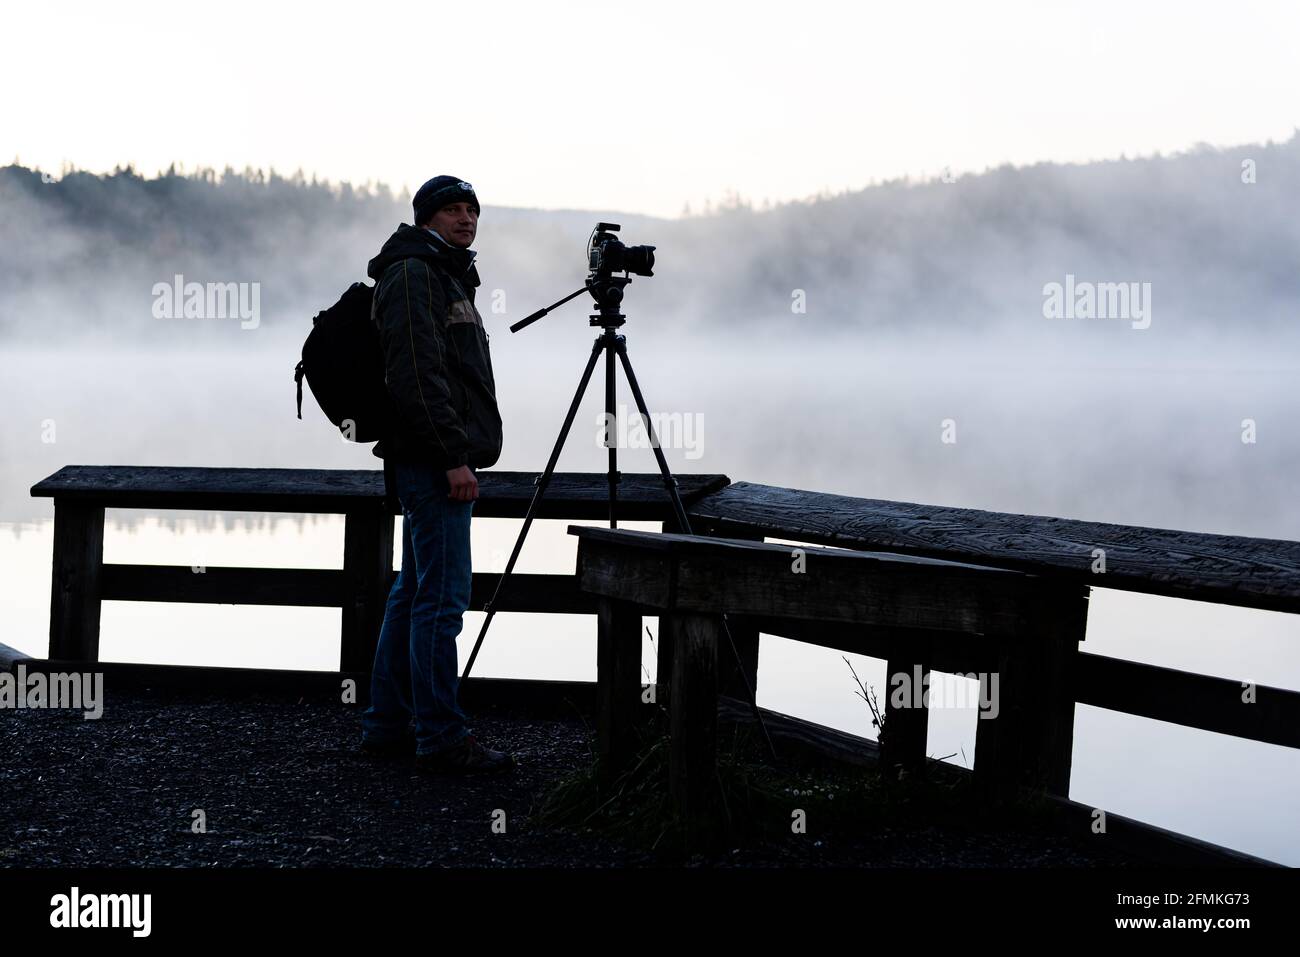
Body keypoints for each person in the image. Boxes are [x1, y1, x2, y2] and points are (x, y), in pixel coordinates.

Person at [359, 175, 514, 773]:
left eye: (471, 210)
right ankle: (442, 737)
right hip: (433, 462)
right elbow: (417, 375)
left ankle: (388, 726)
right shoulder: (415, 274)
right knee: (441, 604)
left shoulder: (441, 272)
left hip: (430, 459)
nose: (465, 218)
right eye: (452, 210)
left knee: (412, 596)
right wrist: (454, 457)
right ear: (427, 217)